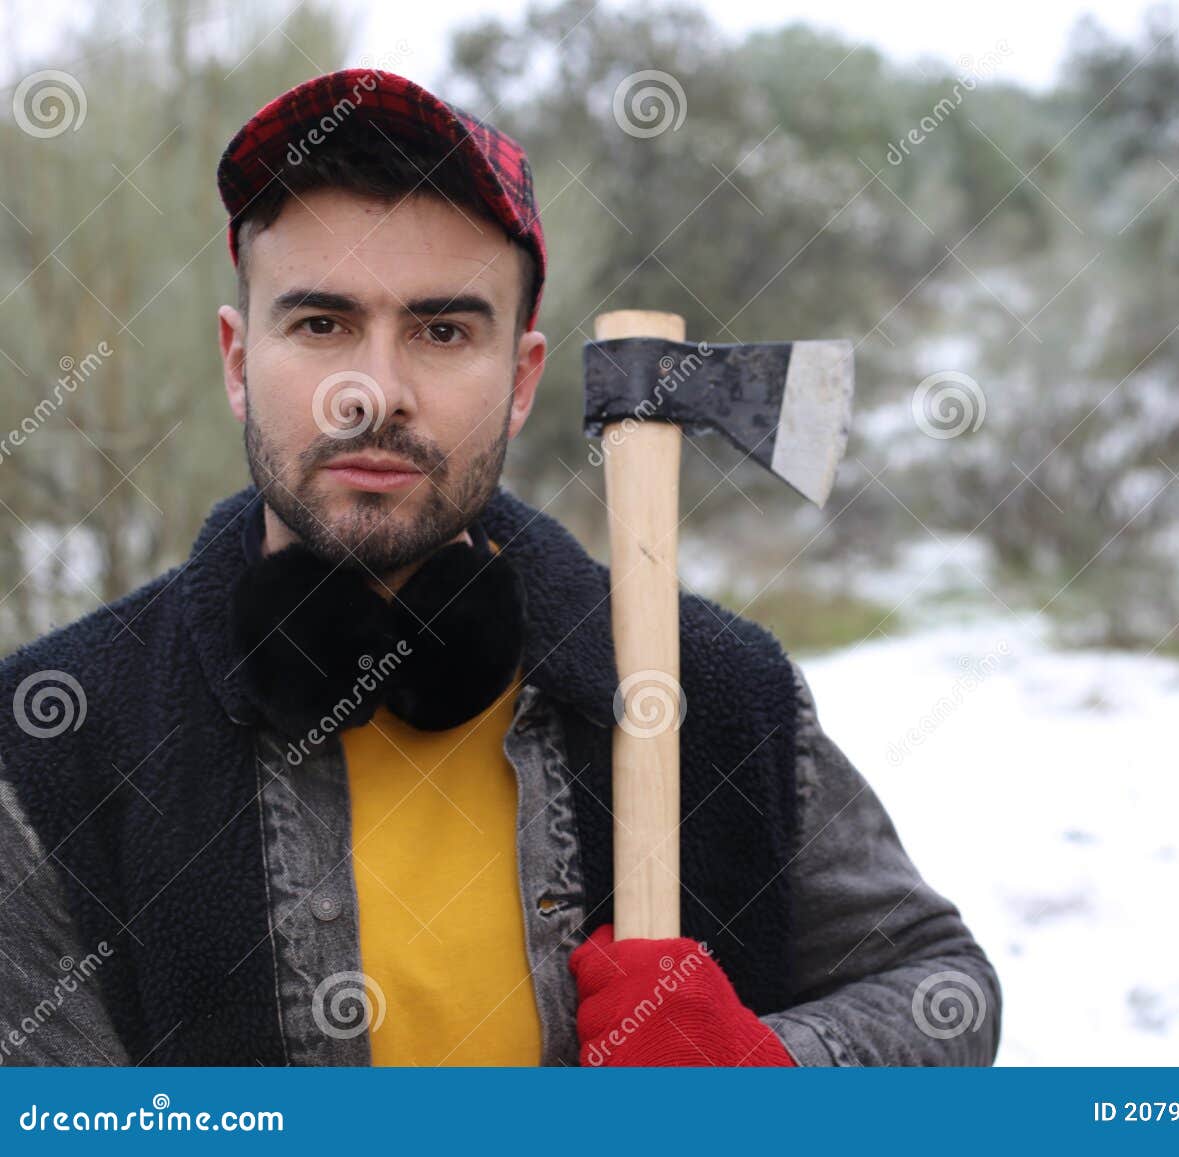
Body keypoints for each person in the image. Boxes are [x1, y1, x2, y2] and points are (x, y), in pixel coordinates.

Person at [0, 69, 999, 1067]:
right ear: (235, 360)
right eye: (320, 324)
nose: (372, 394)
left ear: (522, 380)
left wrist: (772, 1073)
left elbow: (942, 985)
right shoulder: (58, 741)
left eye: (442, 331)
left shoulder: (713, 691)